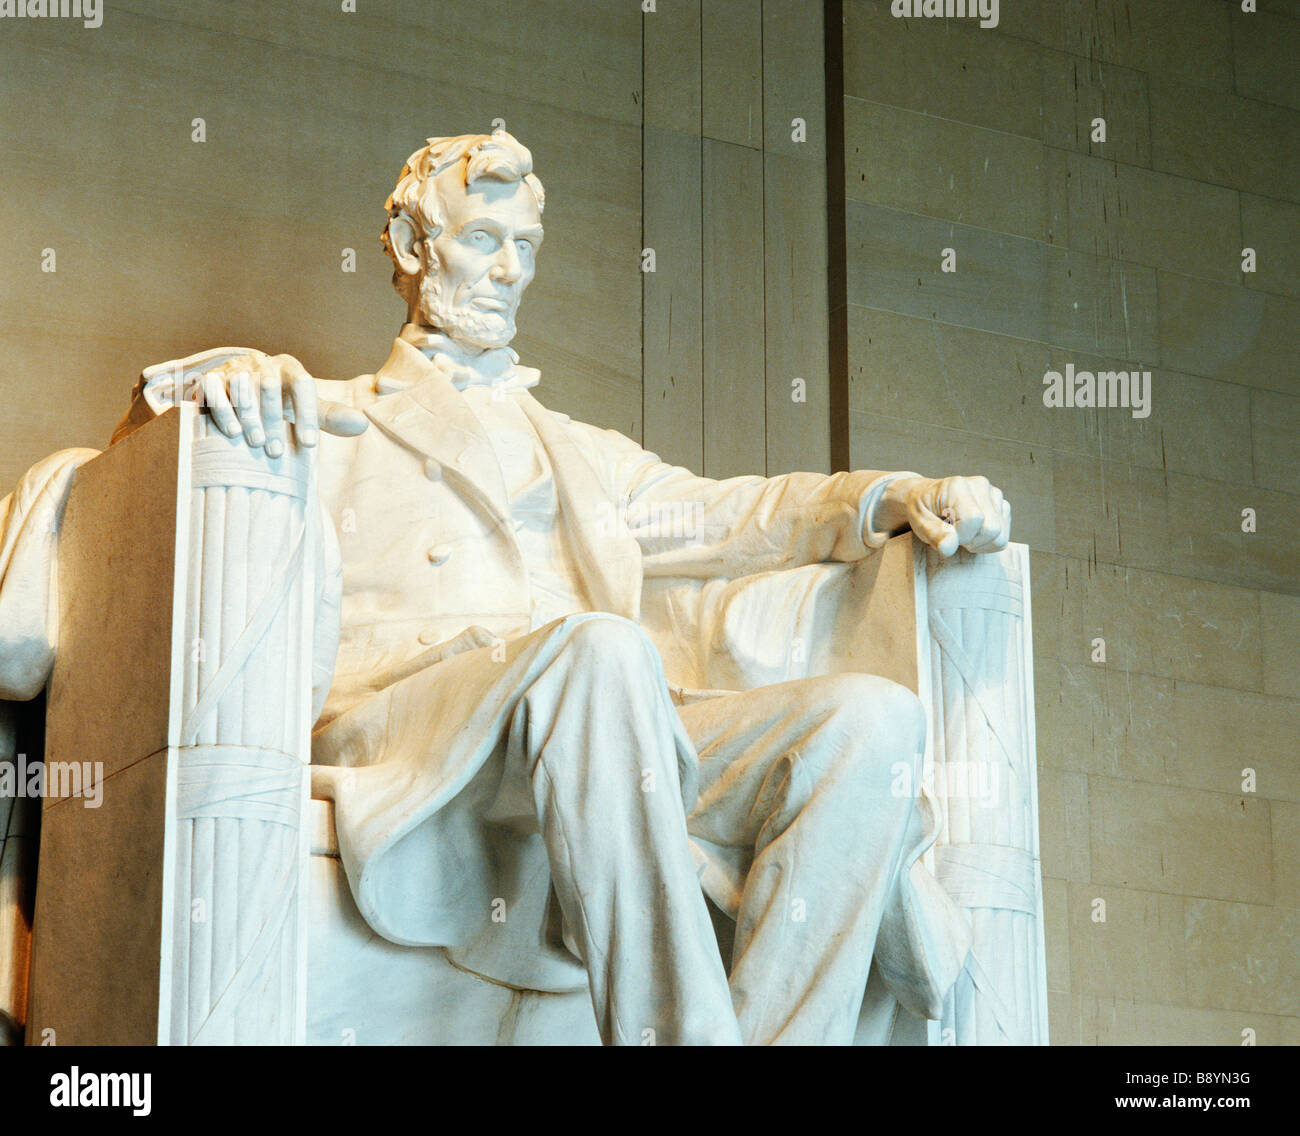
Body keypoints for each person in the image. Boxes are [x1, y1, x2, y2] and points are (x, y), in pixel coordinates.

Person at [106, 131, 1009, 1044]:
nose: (509, 271)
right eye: (483, 240)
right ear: (417, 248)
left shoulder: (581, 452)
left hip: (607, 727)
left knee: (870, 720)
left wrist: (893, 496)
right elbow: (144, 448)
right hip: (425, 724)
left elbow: (743, 515)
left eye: (525, 248)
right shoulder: (333, 415)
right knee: (602, 648)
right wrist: (224, 380)